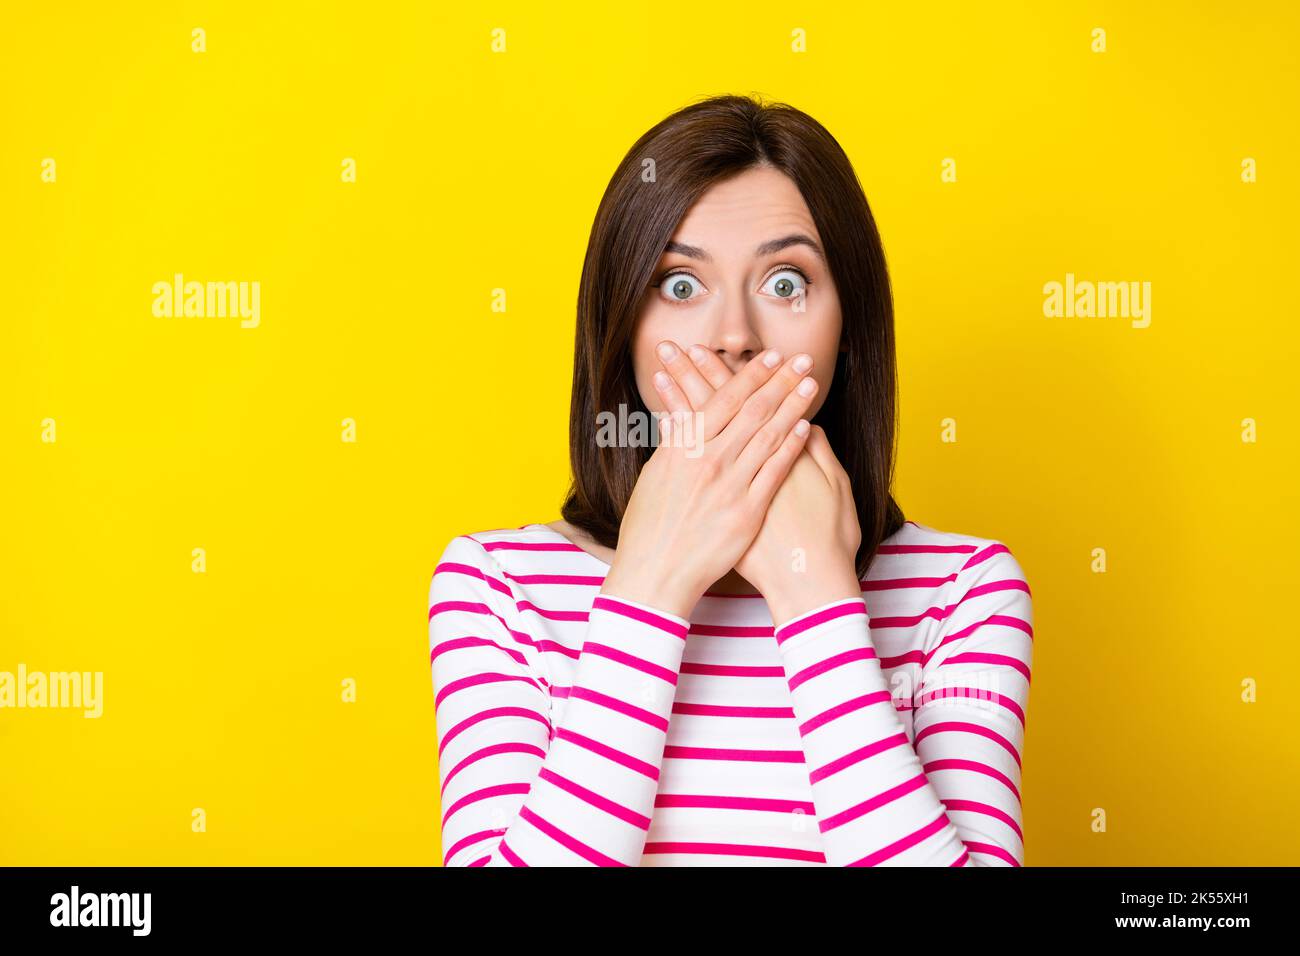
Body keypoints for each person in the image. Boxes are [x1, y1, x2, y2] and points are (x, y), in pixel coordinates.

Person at [427, 93, 1034, 866]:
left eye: (785, 283)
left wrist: (816, 594)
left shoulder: (964, 593)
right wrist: (652, 583)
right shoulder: (497, 589)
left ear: (849, 327)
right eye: (680, 286)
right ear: (622, 325)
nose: (735, 338)